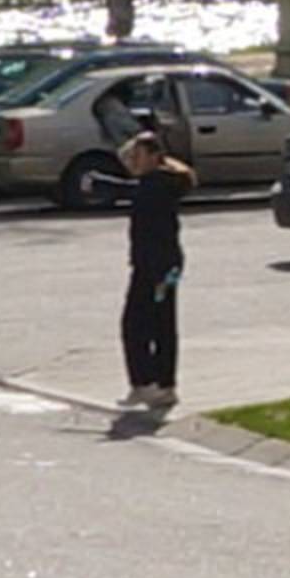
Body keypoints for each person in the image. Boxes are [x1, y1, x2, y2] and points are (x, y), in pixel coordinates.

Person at [112, 113, 193, 435]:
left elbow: (127, 188)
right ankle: (159, 384)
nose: (133, 160)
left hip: (158, 267)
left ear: (155, 157)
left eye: (139, 155)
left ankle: (149, 382)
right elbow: (126, 175)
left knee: (140, 323)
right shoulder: (159, 182)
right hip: (159, 264)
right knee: (158, 323)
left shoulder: (155, 185)